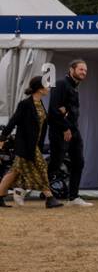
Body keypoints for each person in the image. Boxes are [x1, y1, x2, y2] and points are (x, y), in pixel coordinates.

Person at [0, 75, 64, 208]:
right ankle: (50, 198)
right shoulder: (25, 104)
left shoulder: (40, 104)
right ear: (40, 89)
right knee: (42, 167)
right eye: (46, 85)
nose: (48, 88)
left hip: (34, 145)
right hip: (25, 145)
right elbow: (13, 121)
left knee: (14, 172)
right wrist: (2, 138)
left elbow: (42, 124)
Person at [48, 58, 91, 206]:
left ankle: (73, 198)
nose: (84, 72)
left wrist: (68, 120)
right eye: (81, 69)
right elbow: (53, 109)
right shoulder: (61, 84)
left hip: (74, 130)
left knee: (79, 162)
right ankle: (26, 187)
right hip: (61, 131)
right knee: (55, 164)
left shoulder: (75, 87)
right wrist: (65, 127)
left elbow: (67, 109)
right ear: (71, 70)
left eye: (85, 70)